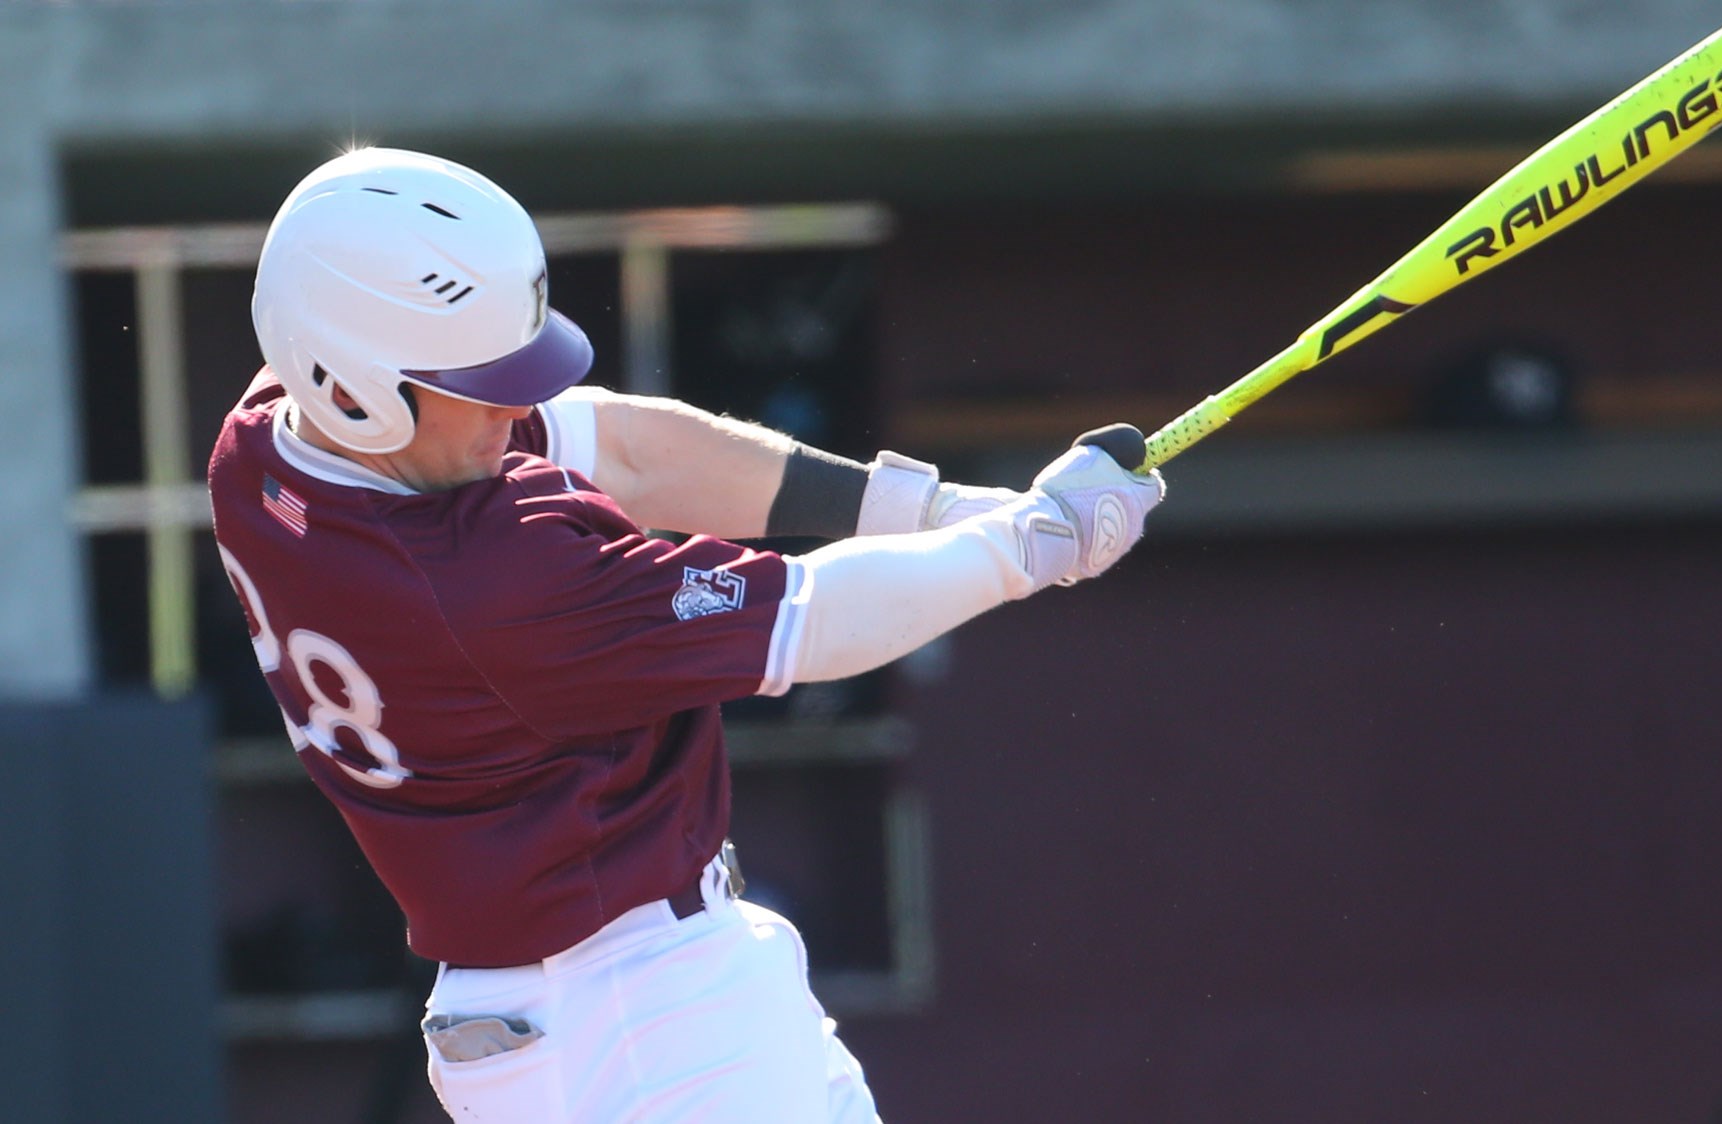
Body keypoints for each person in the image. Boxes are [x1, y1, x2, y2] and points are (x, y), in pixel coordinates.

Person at [207, 146, 1164, 1123]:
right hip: (634, 1009)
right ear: (352, 383)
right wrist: (1023, 545)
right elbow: (814, 621)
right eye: (478, 377)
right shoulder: (492, 585)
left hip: (583, 998)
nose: (513, 402)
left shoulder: (265, 448)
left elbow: (625, 447)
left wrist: (920, 505)